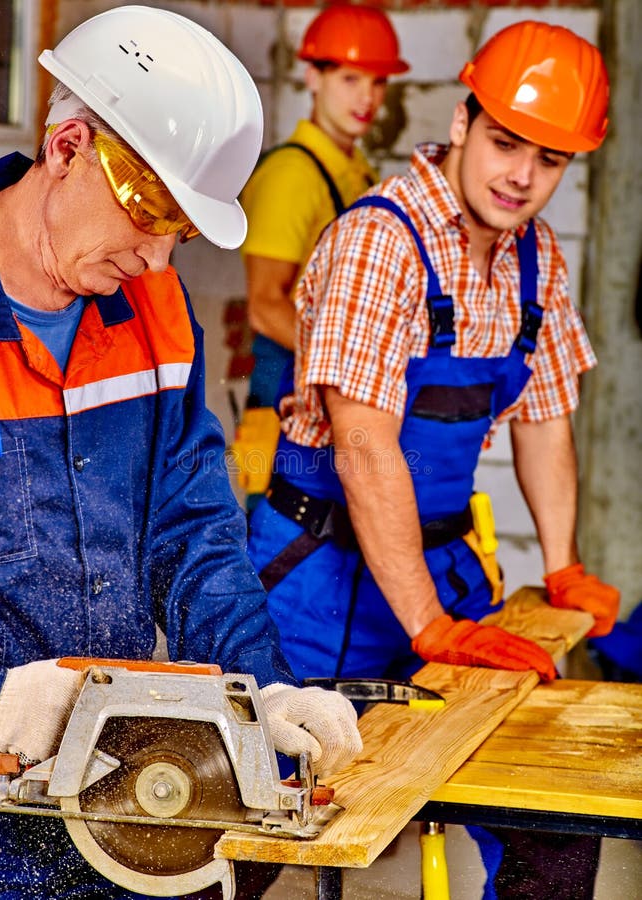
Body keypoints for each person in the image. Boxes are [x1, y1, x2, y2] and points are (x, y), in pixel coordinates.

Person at [0, 7, 362, 899]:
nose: (153, 261)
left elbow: (193, 533)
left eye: (178, 232)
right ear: (66, 147)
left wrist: (265, 693)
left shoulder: (155, 313)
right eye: (148, 214)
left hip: (125, 798)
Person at [247, 20, 620, 900]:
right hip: (322, 581)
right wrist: (426, 628)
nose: (521, 176)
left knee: (551, 815)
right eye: (503, 142)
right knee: (259, 824)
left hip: (442, 571)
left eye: (550, 159)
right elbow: (365, 443)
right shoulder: (382, 242)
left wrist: (560, 565)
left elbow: (544, 418)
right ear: (461, 122)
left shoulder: (535, 258)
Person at [231, 4, 408, 509]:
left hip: (336, 397)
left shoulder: (359, 173)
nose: (367, 98)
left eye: (377, 83)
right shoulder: (294, 174)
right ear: (313, 76)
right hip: (289, 400)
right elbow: (266, 306)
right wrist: (359, 368)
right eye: (351, 79)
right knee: (284, 564)